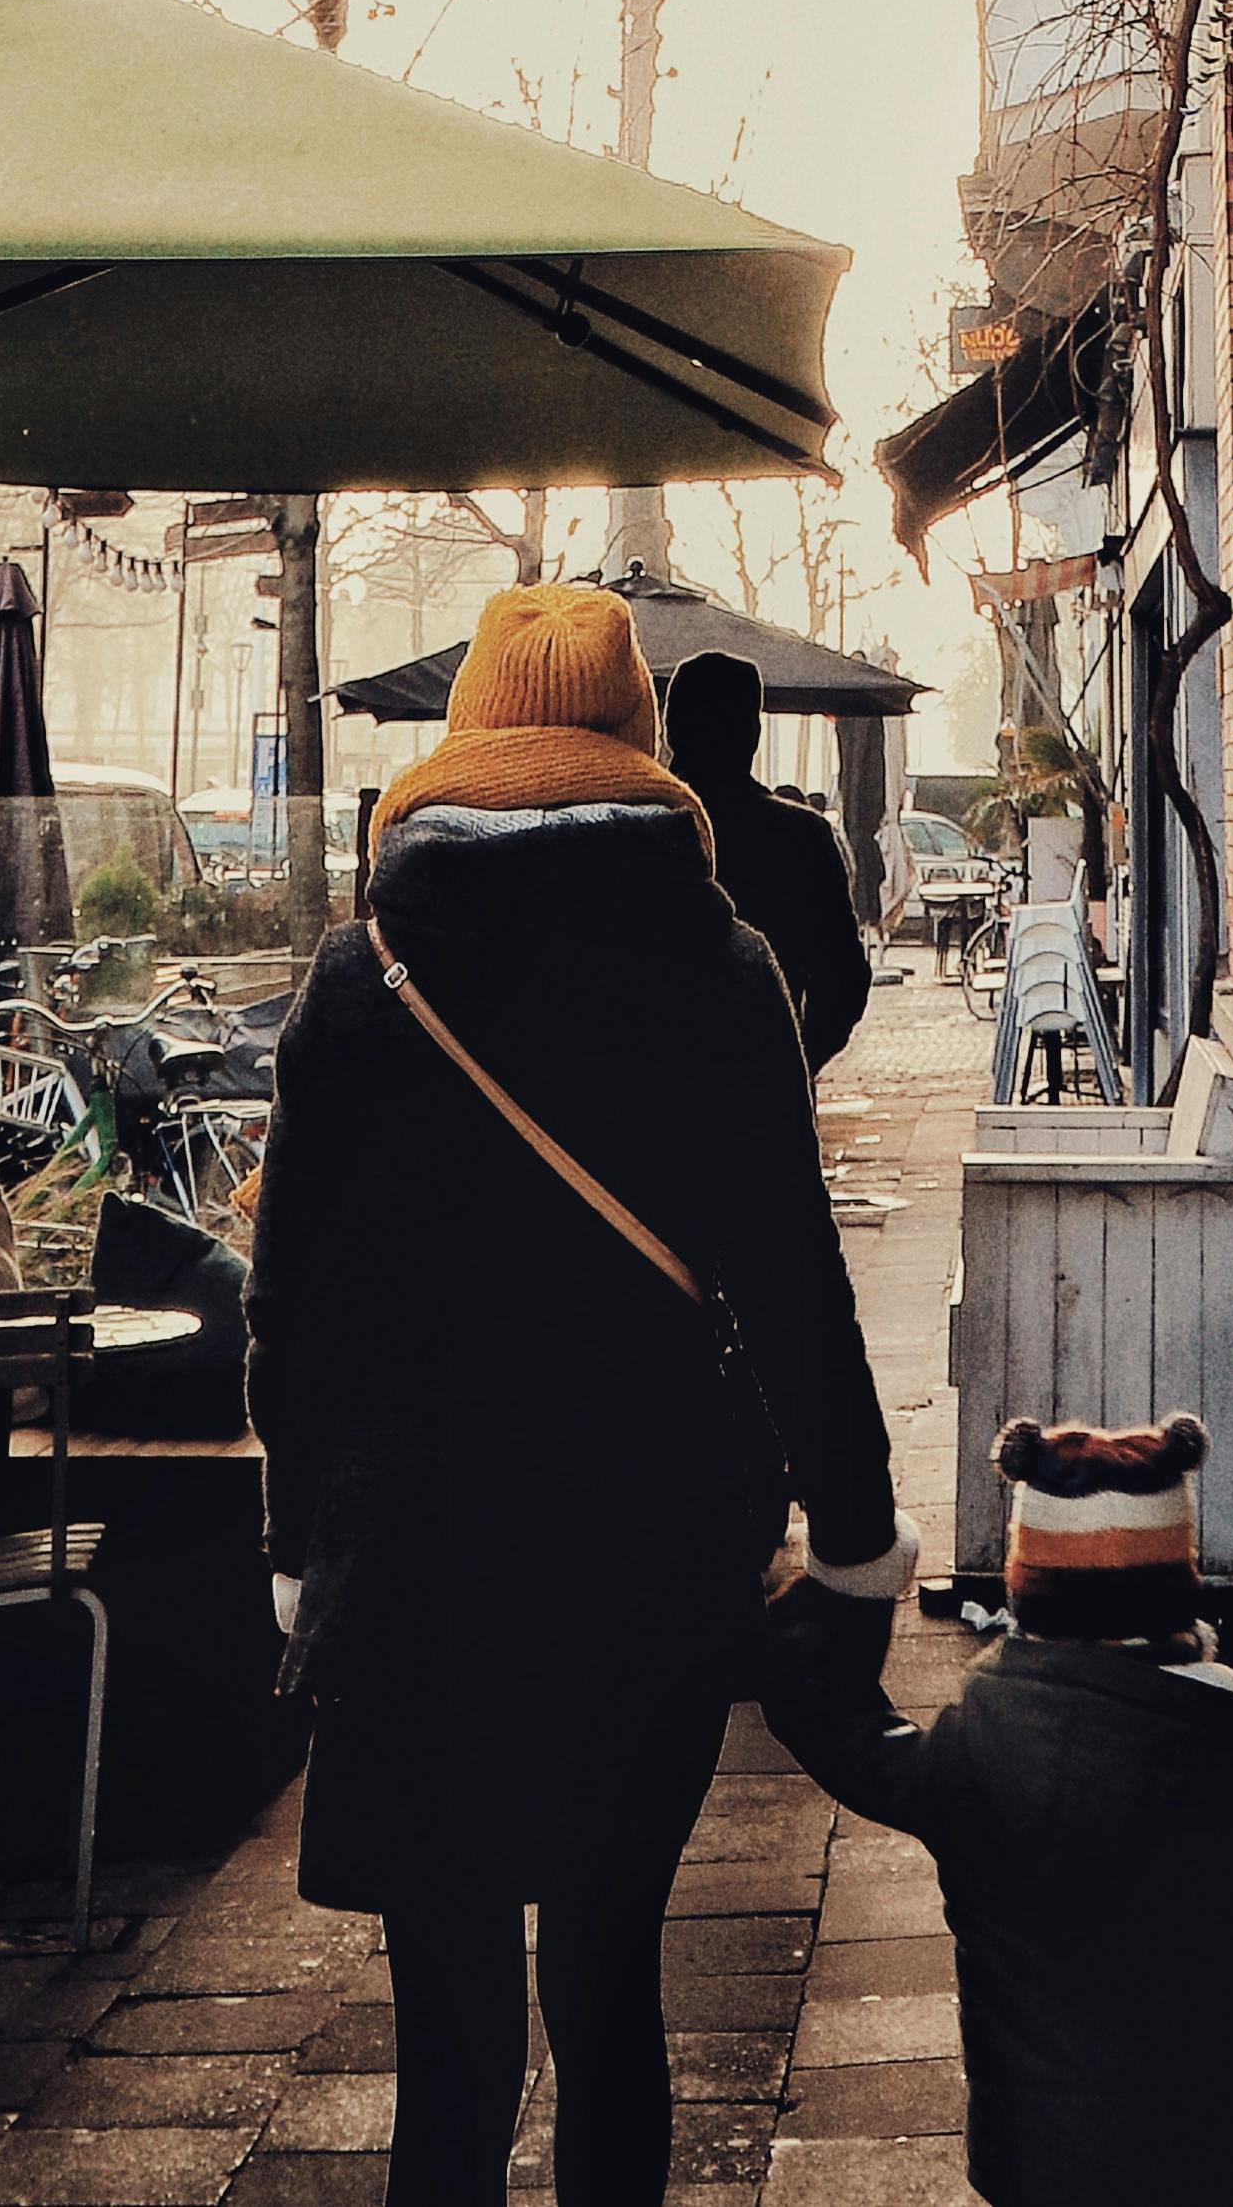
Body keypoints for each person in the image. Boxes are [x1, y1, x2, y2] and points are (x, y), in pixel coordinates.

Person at [247, 582, 908, 2207]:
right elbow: (794, 1283)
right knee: (608, 1989)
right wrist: (857, 1539)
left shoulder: (362, 973)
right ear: (642, 744)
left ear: (463, 746)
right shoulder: (721, 966)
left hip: (405, 1562)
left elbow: (294, 1304)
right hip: (646, 1557)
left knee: (444, 2038)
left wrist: (290, 1536)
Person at [756, 1407, 1233, 2207]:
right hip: (1204, 2149)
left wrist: (842, 1594)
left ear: (1027, 1588)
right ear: (1175, 1590)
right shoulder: (1228, 1752)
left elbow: (840, 1731)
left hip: (1036, 2157)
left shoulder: (976, 1743)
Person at [658, 642, 874, 1071]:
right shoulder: (805, 837)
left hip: (650, 1102)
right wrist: (794, 1067)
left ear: (670, 730)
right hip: (769, 1110)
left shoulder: (638, 830)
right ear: (752, 735)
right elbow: (845, 982)